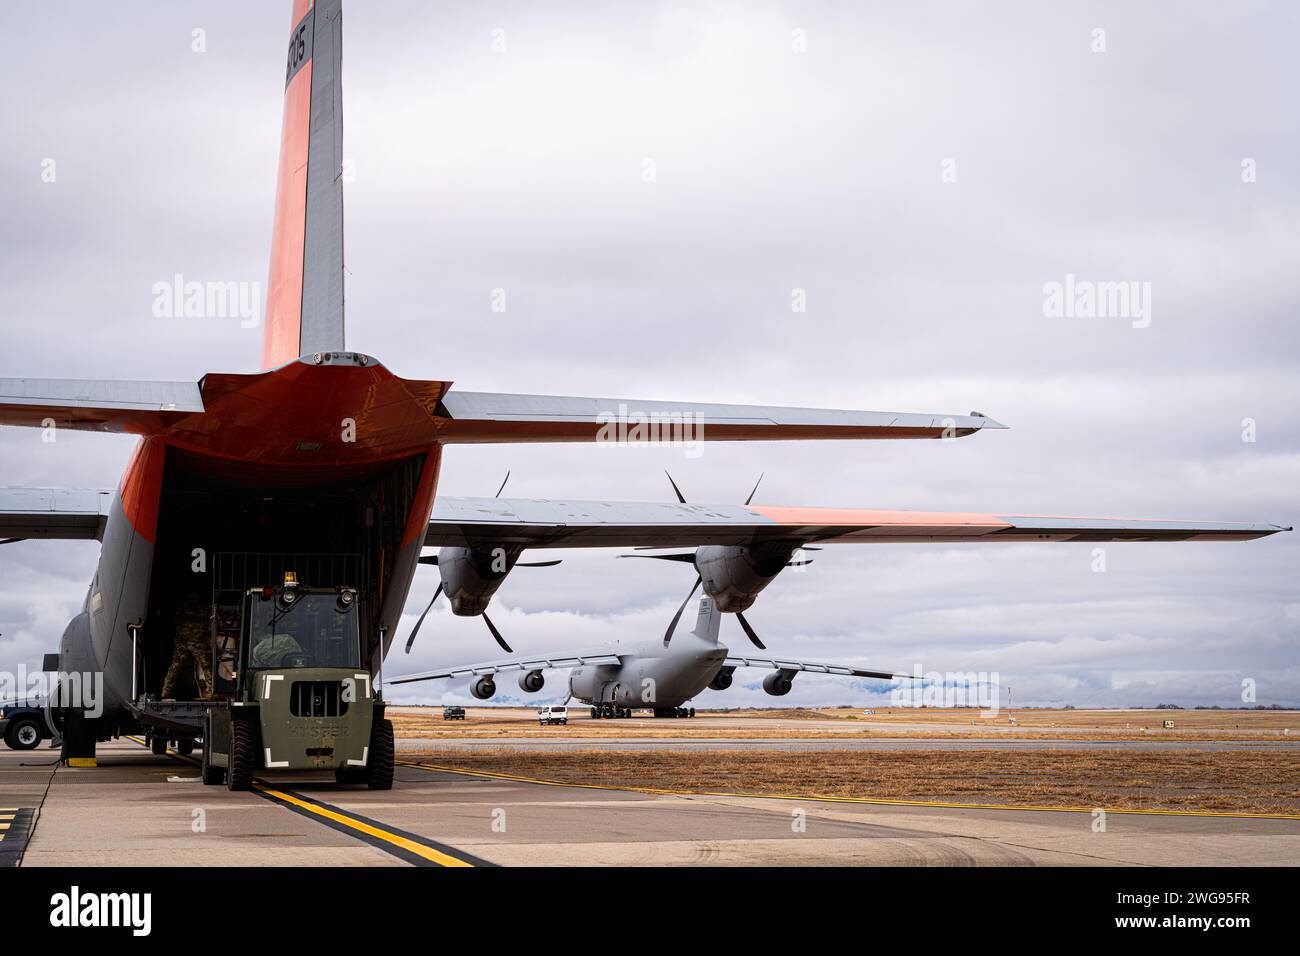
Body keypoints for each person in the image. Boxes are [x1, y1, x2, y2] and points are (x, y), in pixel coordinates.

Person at [161, 590, 213, 699]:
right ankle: (211, 690)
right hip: (192, 642)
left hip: (189, 642)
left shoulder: (185, 609)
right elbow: (209, 624)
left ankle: (166, 690)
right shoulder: (202, 609)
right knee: (205, 666)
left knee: (177, 667)